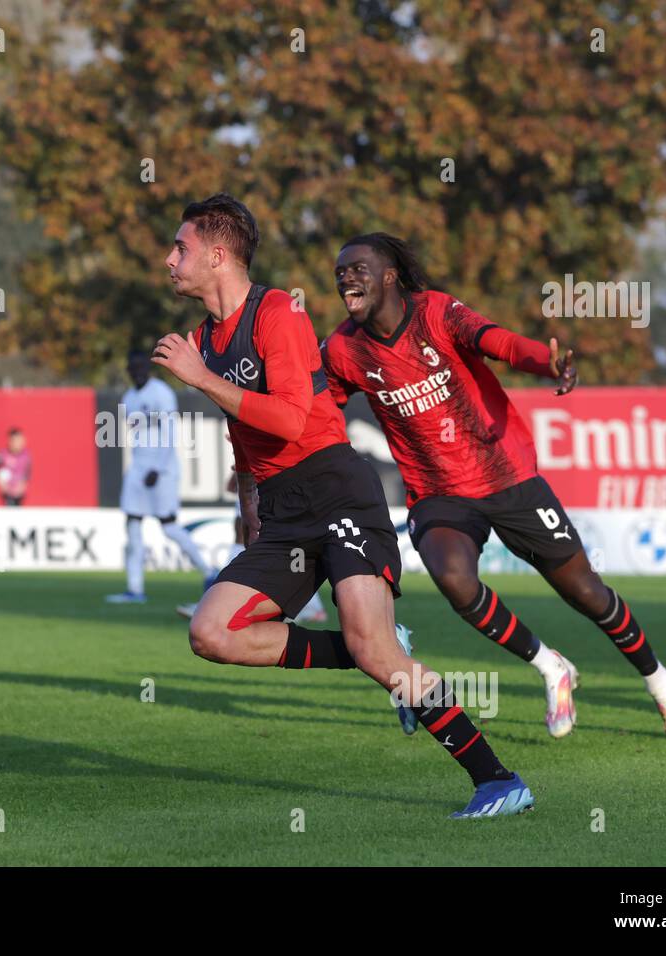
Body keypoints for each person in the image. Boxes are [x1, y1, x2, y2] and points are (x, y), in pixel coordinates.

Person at [152, 193, 533, 818]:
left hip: (336, 492)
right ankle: (375, 645)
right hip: (281, 509)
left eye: (181, 247)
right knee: (211, 632)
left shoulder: (278, 312)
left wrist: (200, 379)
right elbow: (243, 431)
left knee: (378, 654)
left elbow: (289, 416)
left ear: (217, 255)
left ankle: (498, 780)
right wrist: (248, 498)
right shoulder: (205, 338)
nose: (170, 259)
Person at [320, 233, 666, 740]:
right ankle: (550, 666)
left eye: (357, 268)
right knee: (455, 581)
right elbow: (320, 411)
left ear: (389, 276)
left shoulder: (436, 312)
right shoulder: (344, 348)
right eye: (340, 270)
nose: (346, 276)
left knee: (587, 593)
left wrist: (547, 363)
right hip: (438, 491)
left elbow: (497, 341)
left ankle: (660, 683)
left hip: (507, 475)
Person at [106, 350, 217, 604]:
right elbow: (136, 436)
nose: (136, 371)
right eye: (132, 368)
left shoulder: (161, 393)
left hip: (161, 469)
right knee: (132, 524)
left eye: (140, 367)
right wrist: (140, 466)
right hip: (138, 468)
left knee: (168, 526)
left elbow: (169, 433)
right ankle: (135, 589)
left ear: (148, 368)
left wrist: (158, 467)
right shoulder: (129, 398)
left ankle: (208, 571)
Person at [175, 467, 327, 624]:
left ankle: (216, 603)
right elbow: (232, 486)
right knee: (246, 533)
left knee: (273, 537)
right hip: (257, 476)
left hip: (267, 476)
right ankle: (218, 602)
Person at [0, 428, 31, 506]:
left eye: (20, 440)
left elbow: (28, 472)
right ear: (10, 441)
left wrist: (23, 484)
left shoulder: (26, 456)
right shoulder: (3, 454)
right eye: (15, 441)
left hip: (19, 492)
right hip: (7, 493)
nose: (18, 443)